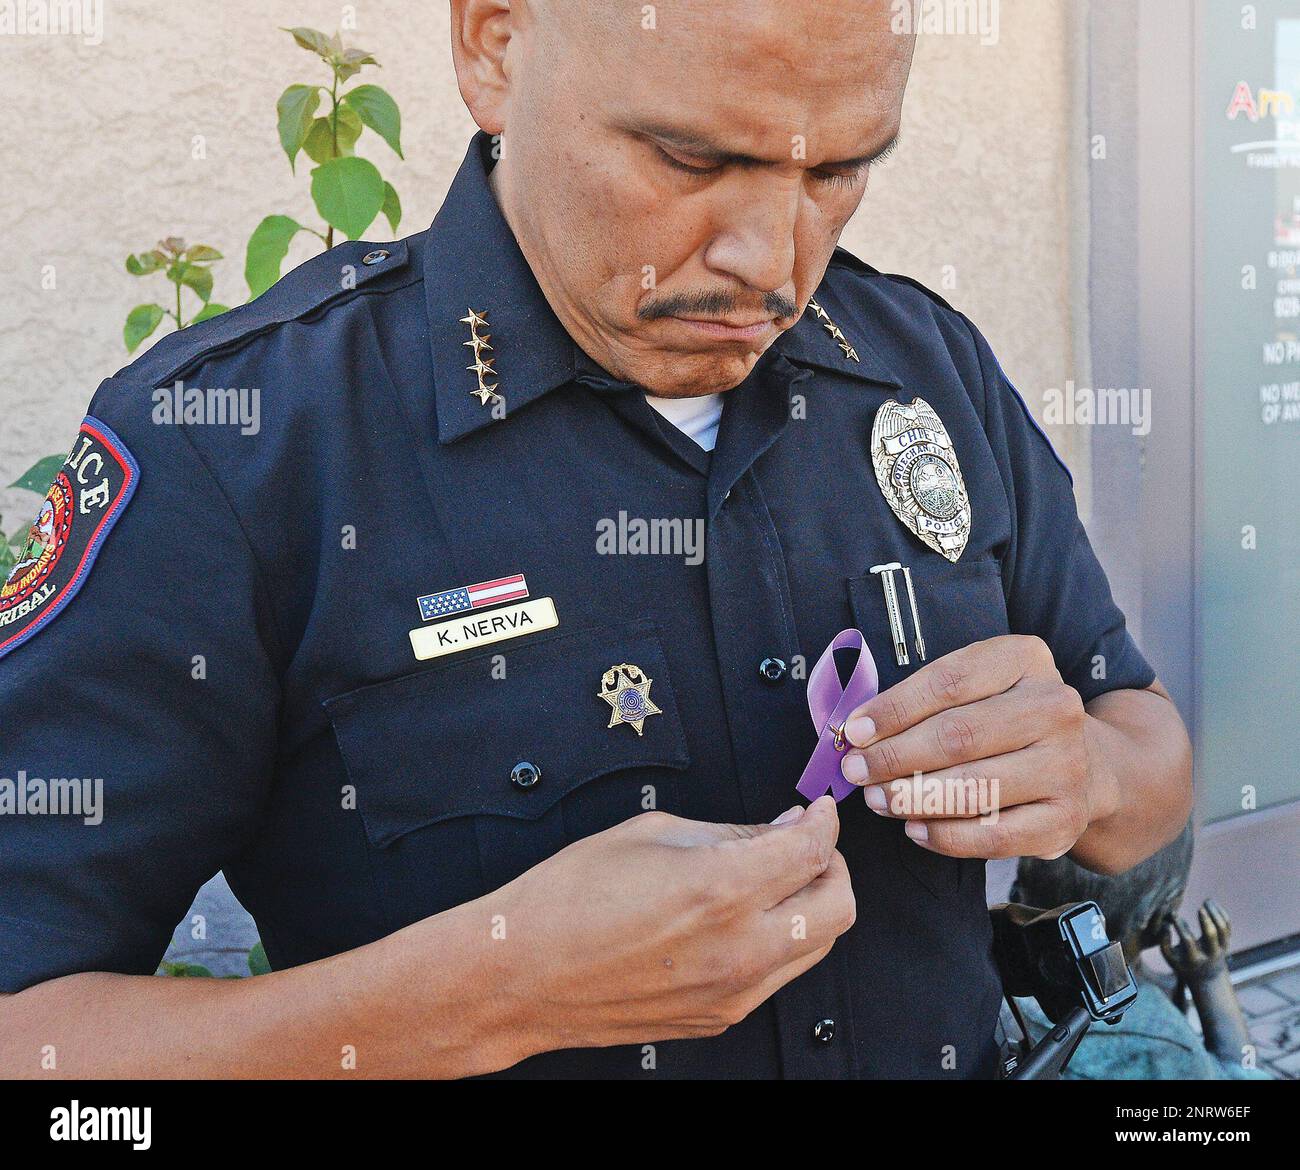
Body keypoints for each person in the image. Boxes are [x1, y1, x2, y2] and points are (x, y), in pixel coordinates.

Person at [0, 0, 1192, 1079]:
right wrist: (494, 992)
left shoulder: (924, 370)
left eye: (838, 169)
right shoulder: (242, 447)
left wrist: (1080, 772)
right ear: (494, 47)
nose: (770, 263)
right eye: (688, 156)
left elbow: (1146, 759)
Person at [1011, 830, 1270, 1080]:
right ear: (1160, 919)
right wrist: (1211, 979)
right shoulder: (1160, 1045)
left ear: (1017, 893)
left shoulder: (991, 975)